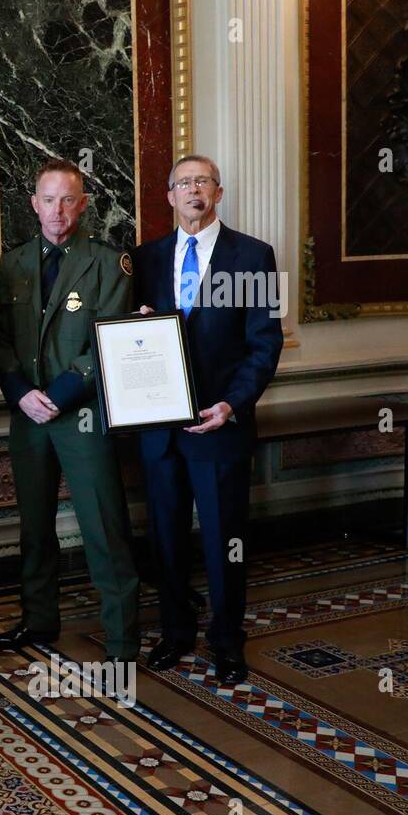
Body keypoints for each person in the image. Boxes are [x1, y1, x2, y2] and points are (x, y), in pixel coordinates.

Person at [133, 154, 283, 685]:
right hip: (160, 431)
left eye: (203, 182)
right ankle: (175, 633)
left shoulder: (253, 256)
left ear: (218, 193)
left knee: (225, 540)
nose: (193, 191)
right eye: (183, 183)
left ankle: (226, 641)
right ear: (169, 196)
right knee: (166, 540)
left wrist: (233, 404)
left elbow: (265, 344)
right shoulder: (144, 259)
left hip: (221, 423)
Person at [0, 158, 141, 662]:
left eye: (68, 199)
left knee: (103, 524)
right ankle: (38, 622)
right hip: (27, 415)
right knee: (34, 526)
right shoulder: (12, 264)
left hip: (79, 413)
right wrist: (19, 391)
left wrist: (59, 393)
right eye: (48, 199)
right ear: (34, 204)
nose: (58, 210)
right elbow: (0, 338)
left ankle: (121, 639)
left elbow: (109, 340)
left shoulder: (107, 262)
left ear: (83, 203)